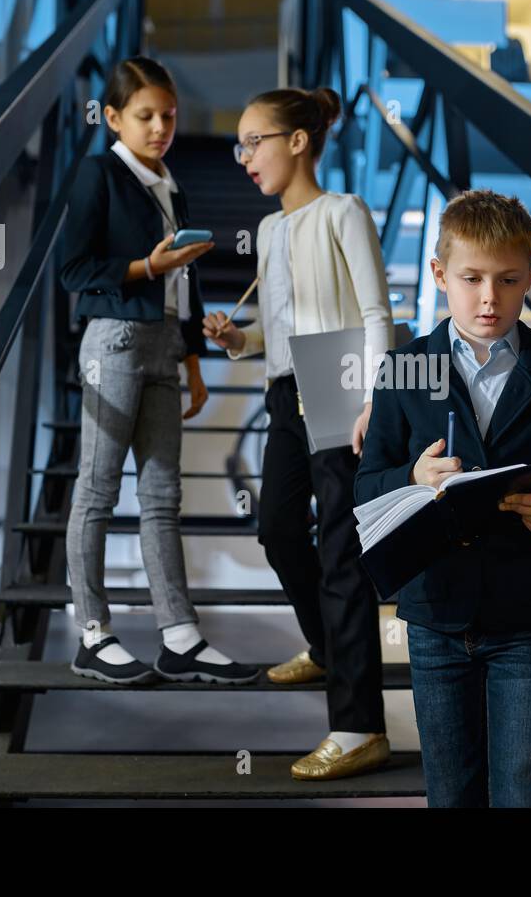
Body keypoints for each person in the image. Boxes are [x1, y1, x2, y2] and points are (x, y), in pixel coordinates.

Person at [355, 190, 531, 806]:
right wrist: (413, 478)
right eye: (471, 278)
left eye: (509, 280)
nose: (490, 298)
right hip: (436, 616)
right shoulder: (403, 369)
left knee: (528, 791)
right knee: (451, 793)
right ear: (439, 274)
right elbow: (364, 489)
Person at [202, 87, 394, 780]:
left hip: (338, 371)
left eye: (256, 141)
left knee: (341, 554)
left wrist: (373, 396)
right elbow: (275, 339)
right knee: (279, 530)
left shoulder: (343, 211)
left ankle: (359, 727)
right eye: (241, 144)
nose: (244, 156)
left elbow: (376, 312)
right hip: (288, 385)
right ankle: (325, 645)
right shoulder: (273, 230)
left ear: (299, 141)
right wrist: (235, 340)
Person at [59, 56, 257, 686]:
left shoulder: (171, 183)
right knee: (96, 491)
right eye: (144, 116)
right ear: (113, 117)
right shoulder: (98, 175)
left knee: (161, 497)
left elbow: (185, 281)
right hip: (112, 341)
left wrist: (193, 358)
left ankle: (179, 635)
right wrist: (146, 267)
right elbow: (73, 270)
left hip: (164, 345)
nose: (160, 127)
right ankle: (93, 632)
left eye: (168, 115)